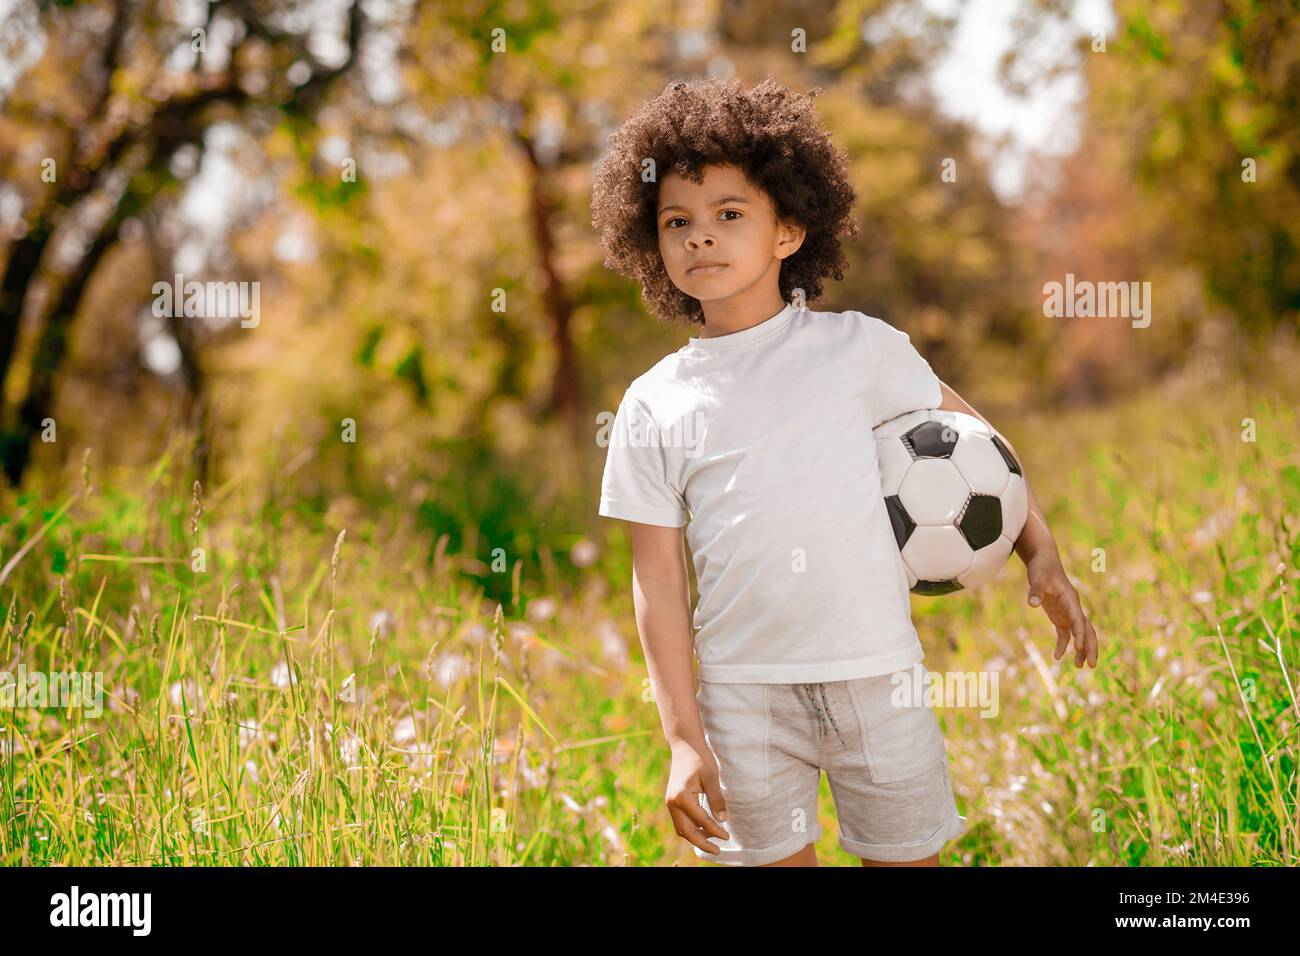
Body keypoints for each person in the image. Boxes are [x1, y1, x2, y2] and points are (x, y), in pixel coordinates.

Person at [591, 76, 1099, 867]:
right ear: (650, 242)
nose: (700, 237)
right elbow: (656, 583)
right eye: (676, 222)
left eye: (730, 215)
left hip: (877, 683)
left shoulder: (860, 349)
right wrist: (684, 740)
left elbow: (979, 446)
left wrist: (1044, 553)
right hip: (742, 701)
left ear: (788, 230)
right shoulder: (653, 404)